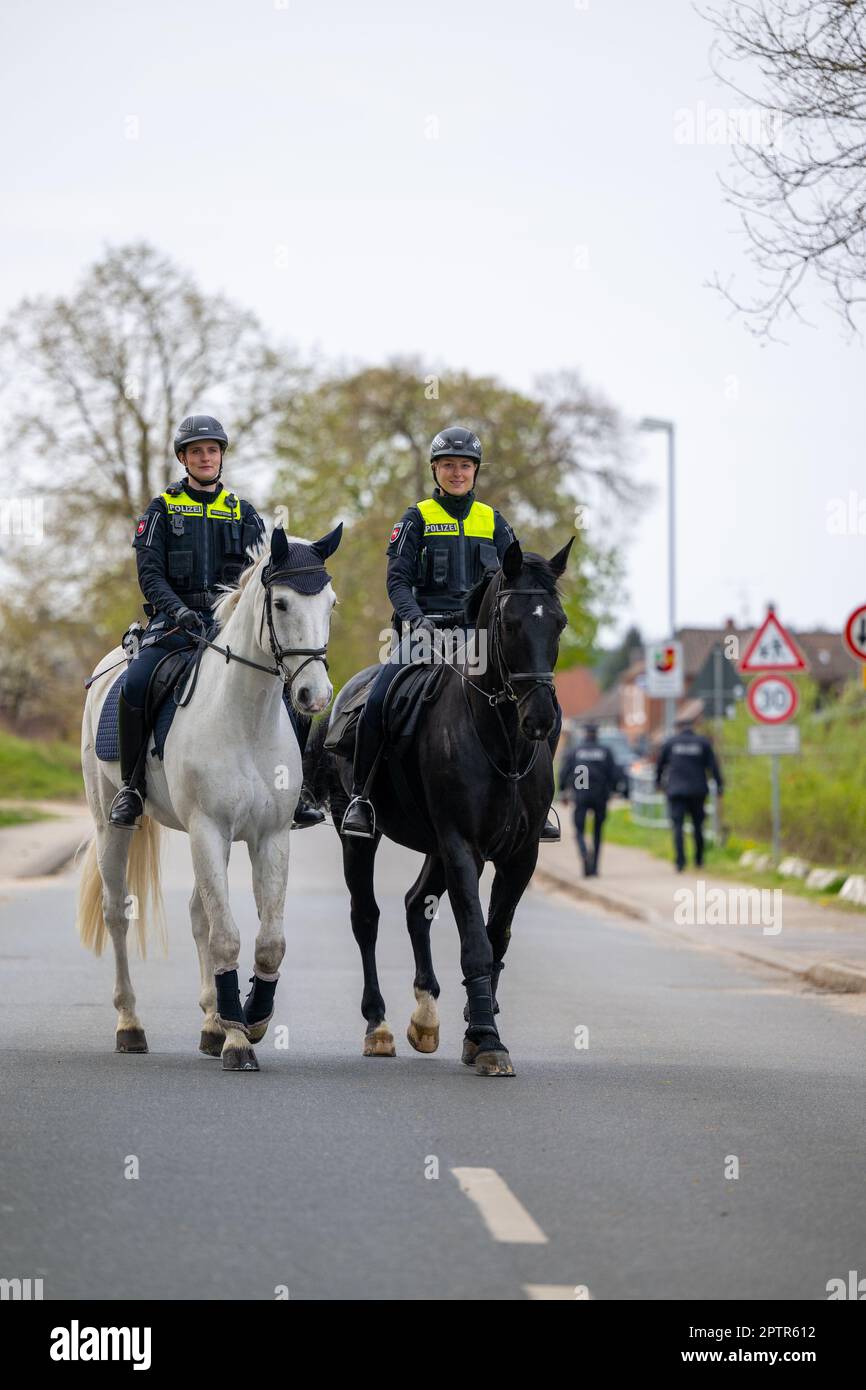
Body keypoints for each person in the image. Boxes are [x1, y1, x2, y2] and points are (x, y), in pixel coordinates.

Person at [340, 424, 562, 840]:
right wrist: (414, 618)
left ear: (475, 471)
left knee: (547, 703)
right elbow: (397, 581)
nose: (456, 473)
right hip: (425, 635)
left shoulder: (494, 522)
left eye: (464, 465)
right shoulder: (416, 518)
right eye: (447, 465)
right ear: (435, 470)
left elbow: (513, 582)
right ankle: (361, 799)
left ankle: (539, 804)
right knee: (380, 699)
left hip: (479, 640)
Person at [111, 414, 322, 830]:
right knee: (135, 684)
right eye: (196, 451)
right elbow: (150, 574)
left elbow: (262, 576)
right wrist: (178, 611)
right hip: (175, 627)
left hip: (231, 630)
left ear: (221, 456)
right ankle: (131, 787)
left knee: (297, 690)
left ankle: (295, 793)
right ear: (183, 459)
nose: (205, 457)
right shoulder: (161, 510)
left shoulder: (243, 513)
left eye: (212, 450)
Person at [655, 714, 723, 871]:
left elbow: (660, 766)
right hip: (697, 791)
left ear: (678, 728)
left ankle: (680, 861)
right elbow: (713, 766)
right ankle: (699, 860)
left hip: (676, 791)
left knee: (677, 826)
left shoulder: (671, 743)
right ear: (693, 727)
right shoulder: (703, 743)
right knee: (698, 826)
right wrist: (719, 786)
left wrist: (658, 783)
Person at [558, 722, 624, 875]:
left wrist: (563, 791)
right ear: (597, 735)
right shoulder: (605, 751)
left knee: (579, 829)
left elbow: (564, 772)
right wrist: (614, 790)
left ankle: (583, 852)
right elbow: (615, 774)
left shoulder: (575, 751)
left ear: (584, 735)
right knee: (598, 831)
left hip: (580, 795)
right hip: (600, 796)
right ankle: (594, 866)